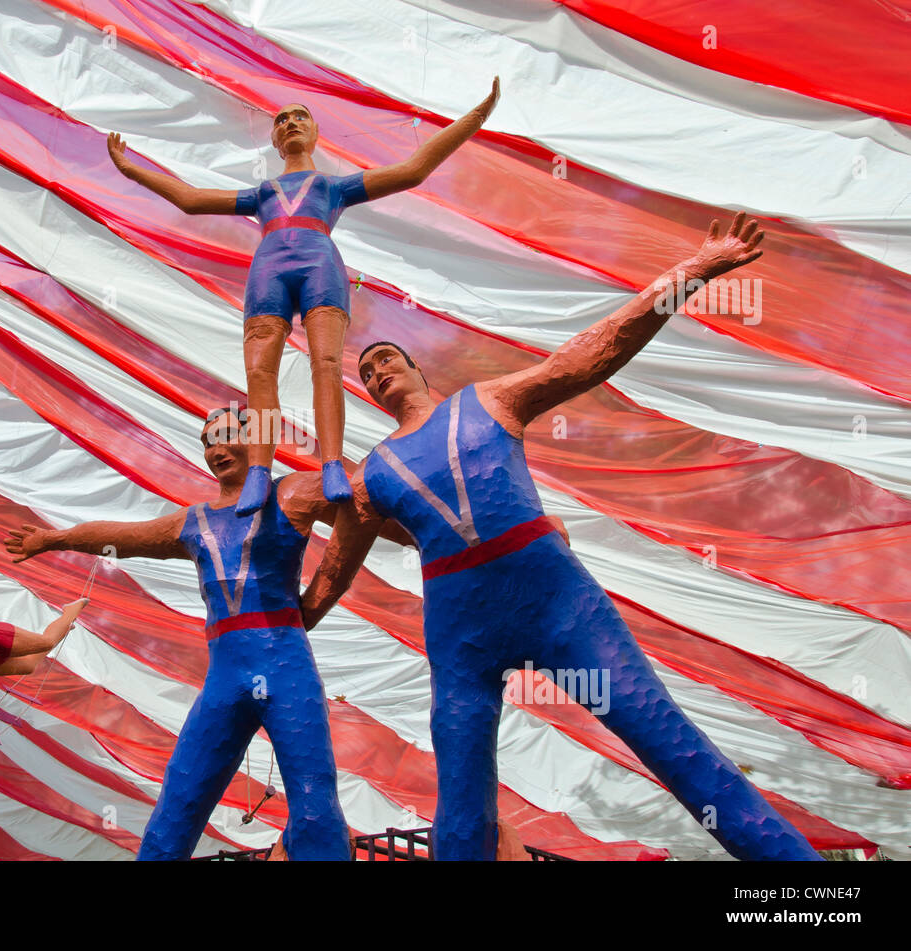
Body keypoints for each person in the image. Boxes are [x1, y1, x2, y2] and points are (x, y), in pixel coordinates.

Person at [301, 213, 821, 861]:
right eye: (368, 370)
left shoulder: (489, 400)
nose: (377, 370)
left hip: (554, 599)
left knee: (674, 745)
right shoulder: (373, 472)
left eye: (386, 357)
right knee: (460, 800)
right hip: (460, 630)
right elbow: (343, 563)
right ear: (370, 395)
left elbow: (597, 348)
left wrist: (696, 269)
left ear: (417, 370)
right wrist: (283, 613)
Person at [4, 409, 395, 859]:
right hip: (225, 678)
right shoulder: (195, 521)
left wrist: (321, 594)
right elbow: (124, 536)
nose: (216, 449)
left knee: (312, 798)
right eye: (208, 441)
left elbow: (365, 503)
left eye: (229, 436)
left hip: (285, 666)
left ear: (259, 440)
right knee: (179, 799)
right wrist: (55, 539)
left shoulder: (291, 493)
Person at [106, 80, 501, 514]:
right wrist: (130, 169)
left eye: (300, 117)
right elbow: (191, 198)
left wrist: (475, 118)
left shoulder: (332, 186)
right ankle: (259, 469)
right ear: (275, 140)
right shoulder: (262, 194)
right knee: (259, 373)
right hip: (268, 271)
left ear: (315, 133)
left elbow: (413, 170)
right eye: (281, 120)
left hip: (320, 265)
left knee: (326, 364)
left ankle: (332, 461)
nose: (290, 124)